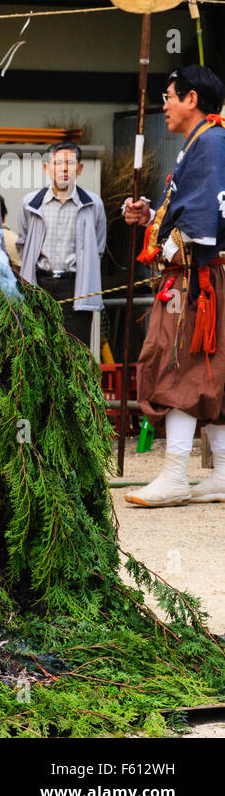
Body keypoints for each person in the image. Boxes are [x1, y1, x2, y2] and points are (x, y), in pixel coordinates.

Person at [123, 65, 225, 507]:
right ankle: (222, 473)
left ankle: (176, 473)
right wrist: (150, 219)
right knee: (208, 368)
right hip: (206, 275)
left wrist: (165, 248)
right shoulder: (202, 141)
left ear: (191, 99)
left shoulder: (211, 142)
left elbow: (201, 225)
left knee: (177, 365)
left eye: (168, 96)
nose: (163, 105)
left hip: (198, 277)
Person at [17, 142, 105, 344]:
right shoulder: (30, 203)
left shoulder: (93, 204)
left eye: (70, 163)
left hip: (76, 286)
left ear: (80, 169)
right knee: (39, 350)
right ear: (47, 168)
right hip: (39, 285)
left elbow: (97, 249)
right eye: (57, 163)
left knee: (76, 350)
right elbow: (23, 244)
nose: (64, 169)